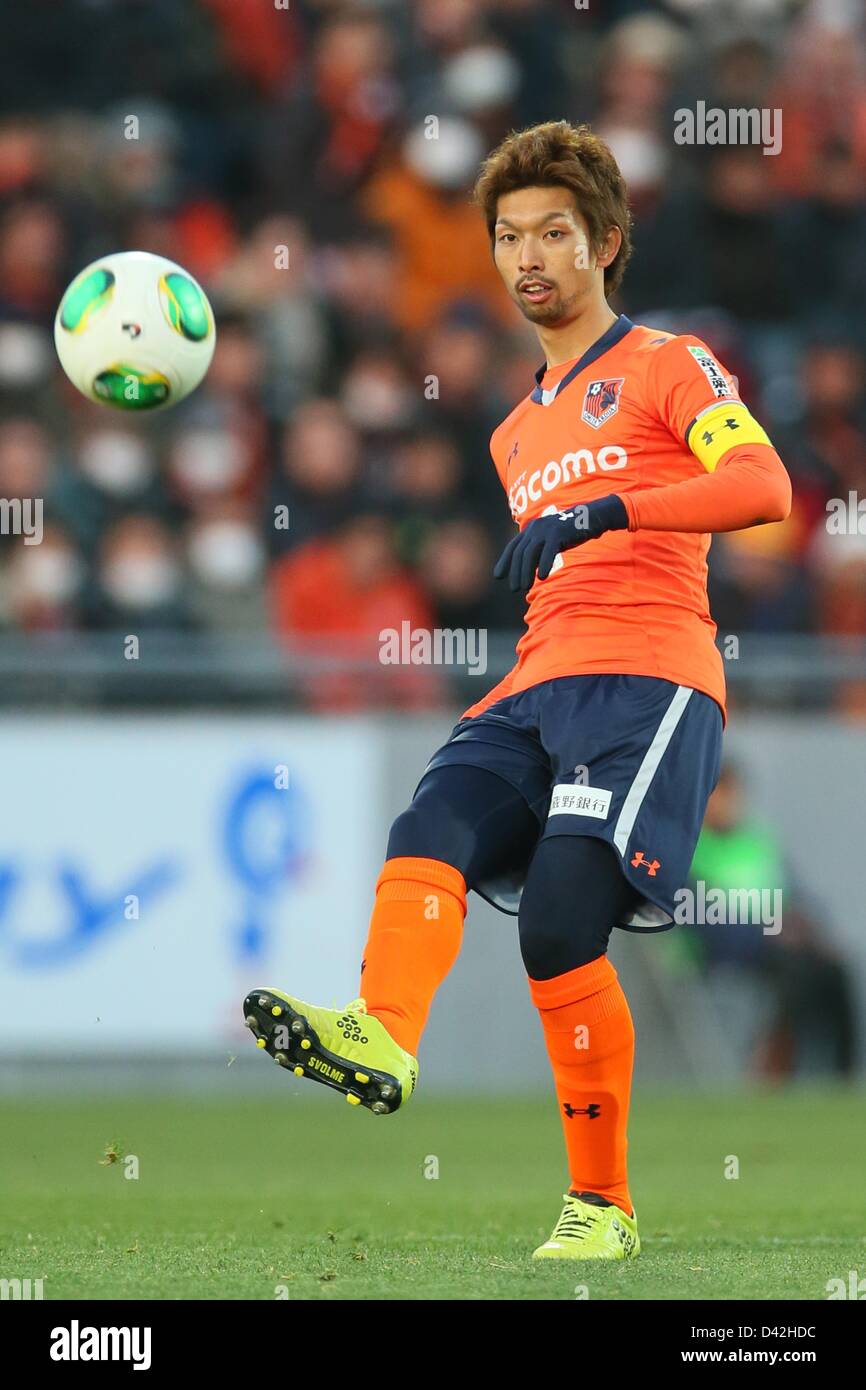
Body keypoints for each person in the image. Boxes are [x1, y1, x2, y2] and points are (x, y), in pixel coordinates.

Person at [242, 121, 791, 1261]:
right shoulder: (508, 432)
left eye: (552, 232)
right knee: (427, 820)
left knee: (556, 925)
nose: (527, 255)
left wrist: (609, 510)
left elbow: (762, 484)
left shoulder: (665, 363)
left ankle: (602, 1206)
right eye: (505, 236)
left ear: (605, 243)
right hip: (537, 679)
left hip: (648, 679)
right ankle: (384, 1038)